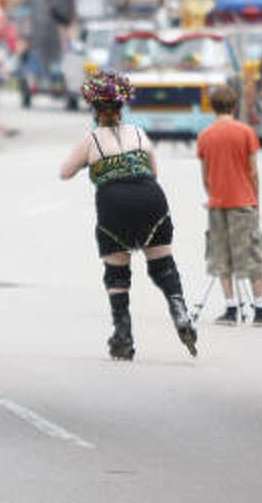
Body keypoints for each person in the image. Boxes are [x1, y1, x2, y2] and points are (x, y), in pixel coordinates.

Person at [58, 71, 198, 360]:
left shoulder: (91, 140)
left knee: (117, 268)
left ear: (95, 110)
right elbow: (154, 171)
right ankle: (179, 308)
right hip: (151, 198)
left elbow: (64, 173)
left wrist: (95, 164)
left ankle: (122, 333)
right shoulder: (138, 133)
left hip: (114, 203)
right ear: (122, 109)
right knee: (162, 262)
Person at [196, 85, 262, 327]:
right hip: (243, 201)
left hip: (217, 203)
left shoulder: (204, 135)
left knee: (220, 253)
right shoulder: (246, 132)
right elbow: (253, 171)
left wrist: (214, 194)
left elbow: (205, 175)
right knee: (252, 253)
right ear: (234, 106)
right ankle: (259, 308)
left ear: (212, 107)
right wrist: (255, 199)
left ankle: (230, 308)